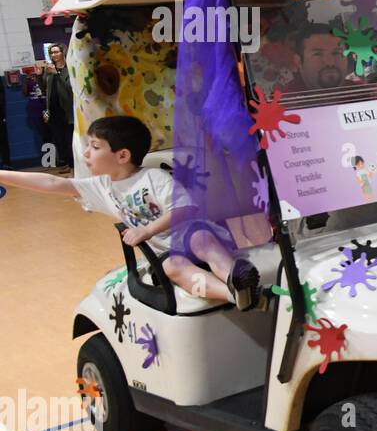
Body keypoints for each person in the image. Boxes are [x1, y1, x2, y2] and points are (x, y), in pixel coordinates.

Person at [0, 115, 260, 308]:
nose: (86, 153)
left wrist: (146, 230)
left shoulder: (154, 178)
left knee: (201, 240)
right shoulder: (101, 186)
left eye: (95, 146)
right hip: (166, 253)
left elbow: (186, 209)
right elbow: (54, 183)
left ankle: (236, 278)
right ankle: (234, 296)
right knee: (172, 267)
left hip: (191, 234)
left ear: (122, 155)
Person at [284, 23, 350, 92]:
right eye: (317, 54)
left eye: (337, 53)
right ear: (299, 61)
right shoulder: (284, 99)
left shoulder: (359, 93)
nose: (330, 62)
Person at [41, 43, 75, 170]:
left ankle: (74, 164)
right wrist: (39, 76)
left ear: (63, 53)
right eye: (52, 53)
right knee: (59, 139)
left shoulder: (69, 68)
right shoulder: (48, 69)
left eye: (56, 52)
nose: (54, 55)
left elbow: (69, 88)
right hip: (53, 109)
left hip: (67, 109)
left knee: (69, 138)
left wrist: (57, 74)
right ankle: (66, 163)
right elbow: (44, 88)